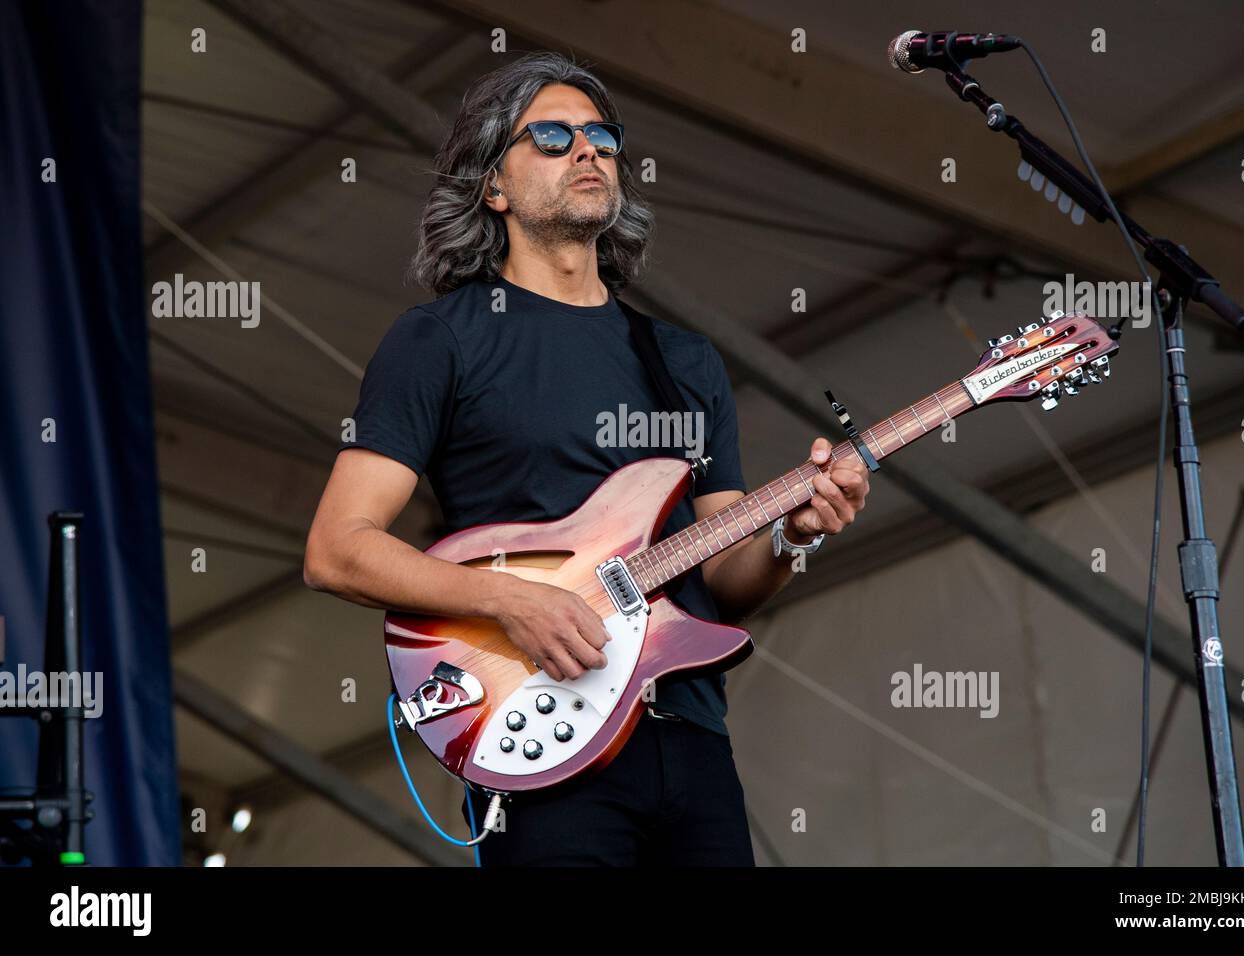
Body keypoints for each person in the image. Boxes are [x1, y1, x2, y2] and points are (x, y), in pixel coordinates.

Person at [303, 52, 868, 866]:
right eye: (555, 136)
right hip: (544, 735)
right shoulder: (440, 340)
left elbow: (724, 578)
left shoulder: (683, 361)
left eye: (602, 136)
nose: (589, 150)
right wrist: (505, 599)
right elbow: (337, 548)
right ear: (493, 186)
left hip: (692, 735)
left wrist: (794, 536)